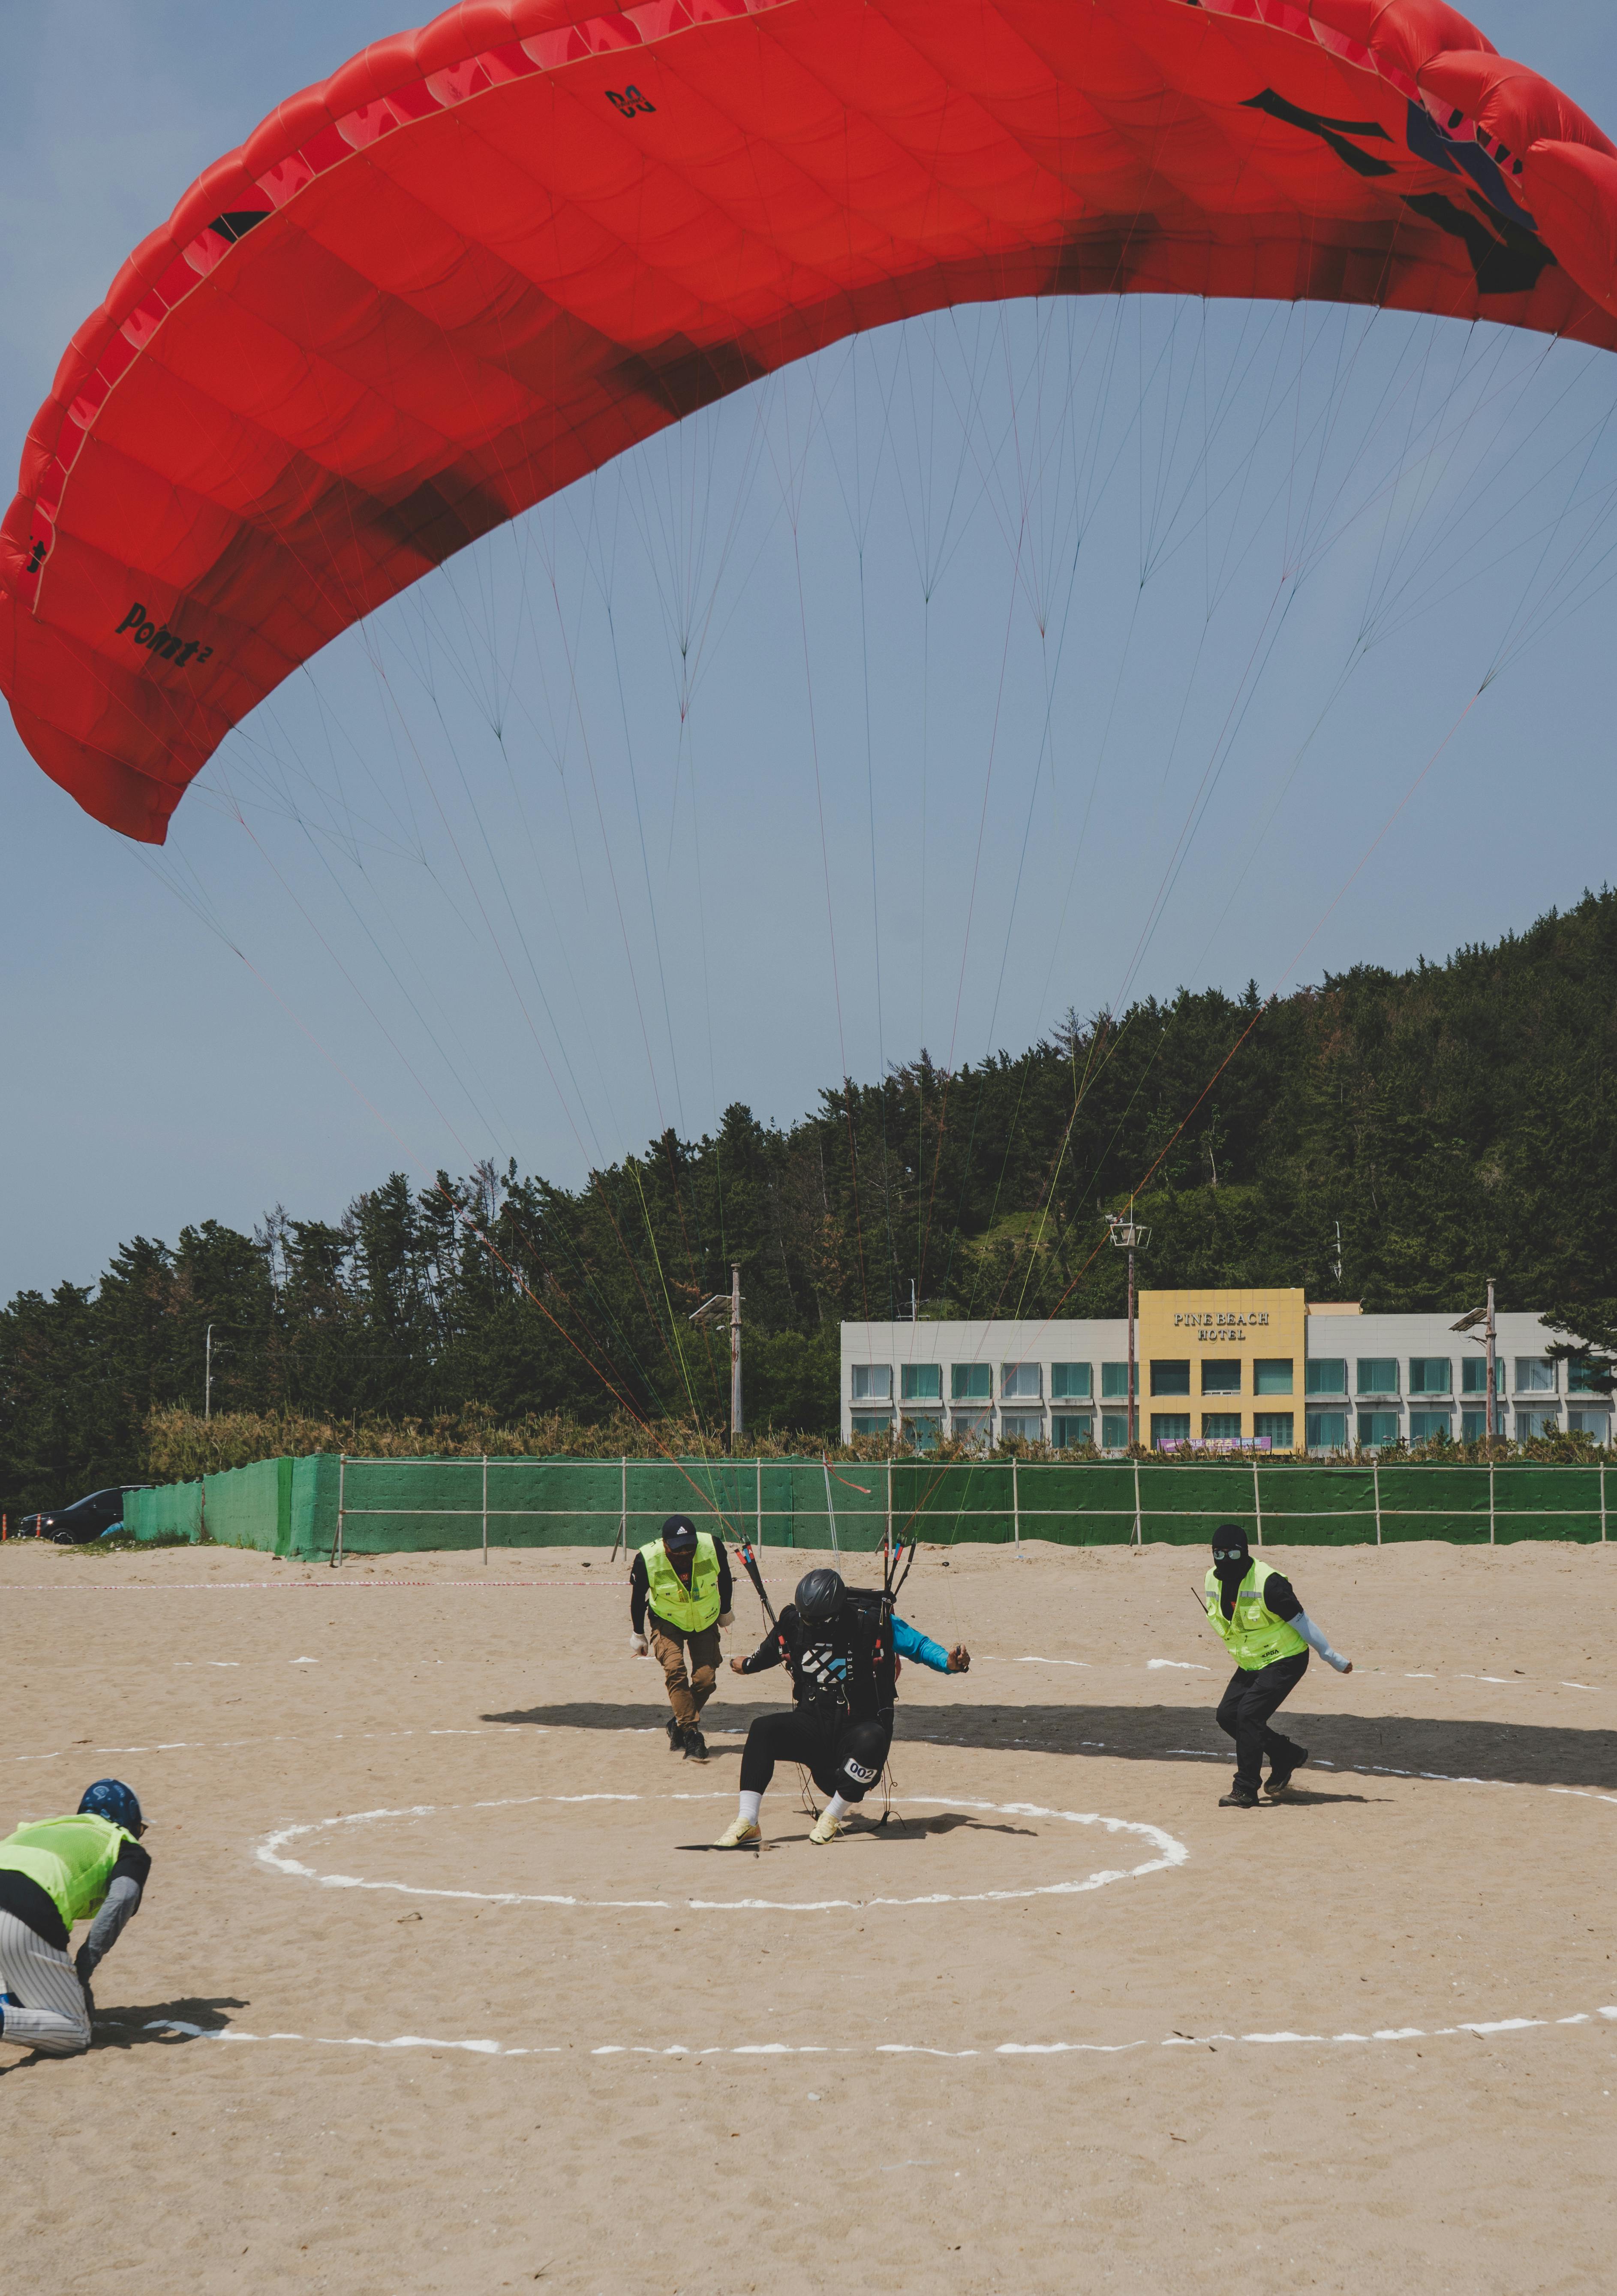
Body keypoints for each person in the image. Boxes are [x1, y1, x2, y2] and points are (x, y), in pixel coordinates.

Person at [713, 1567, 969, 1848]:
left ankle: (832, 1815)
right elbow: (773, 1648)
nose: (810, 1625)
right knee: (762, 1729)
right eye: (806, 1619)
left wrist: (949, 1661)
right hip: (813, 1723)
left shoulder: (872, 1623)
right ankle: (748, 1820)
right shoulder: (794, 1621)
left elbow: (918, 1645)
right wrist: (748, 1665)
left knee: (875, 1736)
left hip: (857, 1734)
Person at [1204, 1524, 1353, 1808]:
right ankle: (1286, 1754)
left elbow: (1303, 1623)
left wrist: (1331, 1656)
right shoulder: (1211, 1580)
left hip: (1287, 1658)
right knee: (1227, 1716)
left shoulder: (1269, 1583)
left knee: (1248, 1714)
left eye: (1233, 1554)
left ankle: (1246, 1789)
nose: (1226, 1559)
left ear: (1245, 1552)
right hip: (1253, 1661)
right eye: (1219, 1553)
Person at [0, 1780, 150, 2057]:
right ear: (127, 1819)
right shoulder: (123, 1842)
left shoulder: (42, 1827)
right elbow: (124, 1896)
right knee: (76, 2030)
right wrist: (84, 1967)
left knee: (21, 2002)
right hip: (24, 1909)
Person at [630, 1514, 733, 1761]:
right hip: (667, 1619)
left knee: (706, 1680)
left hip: (705, 1618)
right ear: (665, 1544)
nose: (685, 1553)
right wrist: (638, 1633)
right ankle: (691, 1734)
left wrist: (726, 1609)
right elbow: (637, 1598)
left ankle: (678, 1722)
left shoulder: (712, 1547)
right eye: (678, 1550)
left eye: (690, 1547)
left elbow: (726, 1577)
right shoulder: (647, 1559)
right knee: (675, 1669)